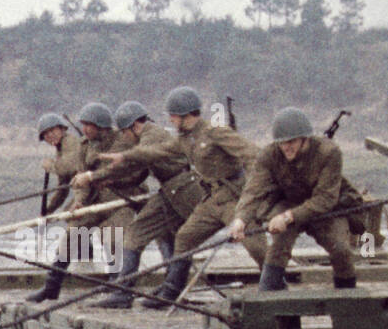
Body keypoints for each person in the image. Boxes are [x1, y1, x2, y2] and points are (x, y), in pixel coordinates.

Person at [100, 86, 266, 308]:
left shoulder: (215, 131)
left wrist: (253, 191)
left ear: (184, 115)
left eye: (172, 115)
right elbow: (157, 151)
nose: (169, 119)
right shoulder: (184, 139)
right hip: (211, 198)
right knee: (185, 237)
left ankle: (274, 284)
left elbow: (252, 154)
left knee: (255, 245)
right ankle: (170, 292)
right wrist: (124, 156)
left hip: (232, 198)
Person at [228, 107, 357, 291]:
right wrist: (240, 220)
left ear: (305, 139)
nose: (286, 147)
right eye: (282, 142)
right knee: (278, 244)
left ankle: (349, 302)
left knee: (341, 249)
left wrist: (288, 217)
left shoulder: (329, 152)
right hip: (290, 202)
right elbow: (253, 191)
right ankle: (270, 295)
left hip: (328, 208)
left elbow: (325, 199)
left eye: (292, 141)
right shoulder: (269, 155)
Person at [26, 102, 141, 302]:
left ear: (102, 125)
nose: (85, 129)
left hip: (121, 200)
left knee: (113, 239)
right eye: (83, 125)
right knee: (72, 233)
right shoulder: (85, 146)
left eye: (89, 125)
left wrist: (106, 178)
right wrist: (79, 203)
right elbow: (80, 180)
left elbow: (137, 170)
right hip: (95, 201)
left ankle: (118, 290)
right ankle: (51, 286)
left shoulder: (122, 142)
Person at [95, 101, 203, 309]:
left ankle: (127, 293)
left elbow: (133, 162)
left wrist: (94, 175)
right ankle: (168, 290)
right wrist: (112, 181)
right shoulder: (150, 136)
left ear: (135, 126)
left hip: (181, 190)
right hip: (174, 190)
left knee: (146, 234)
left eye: (125, 132)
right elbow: (140, 172)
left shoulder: (151, 136)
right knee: (169, 237)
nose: (125, 138)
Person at [35, 112, 82, 217]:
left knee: (72, 218)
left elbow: (67, 167)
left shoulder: (70, 142)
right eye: (46, 134)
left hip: (93, 190)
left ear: (62, 129)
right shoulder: (60, 150)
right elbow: (62, 189)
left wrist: (50, 166)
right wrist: (47, 211)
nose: (50, 135)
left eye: (52, 130)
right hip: (85, 192)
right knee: (68, 214)